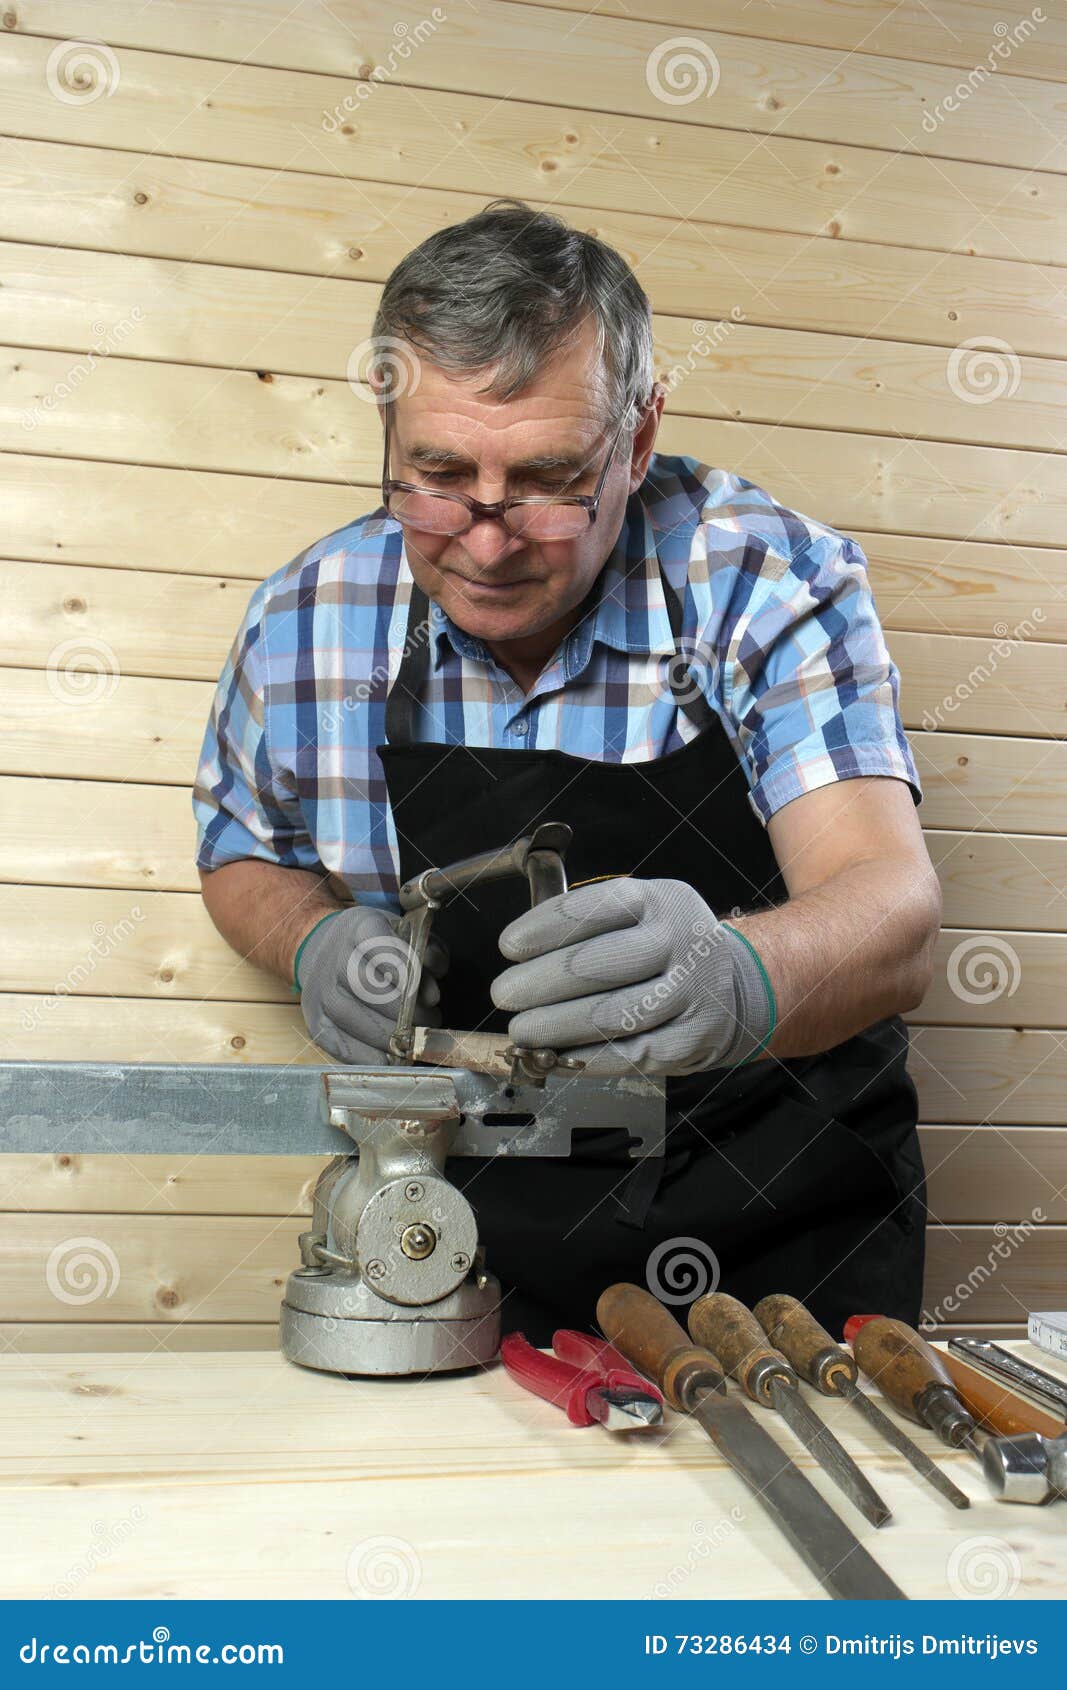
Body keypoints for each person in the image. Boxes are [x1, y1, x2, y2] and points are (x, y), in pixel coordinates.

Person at [194, 198, 941, 1345]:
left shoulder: (760, 578)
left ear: (636, 441)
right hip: (468, 1240)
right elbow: (243, 848)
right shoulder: (308, 618)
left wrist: (735, 977)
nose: (487, 541)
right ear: (386, 433)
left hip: (787, 1228)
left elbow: (890, 910)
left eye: (546, 480)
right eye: (437, 474)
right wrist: (311, 941)